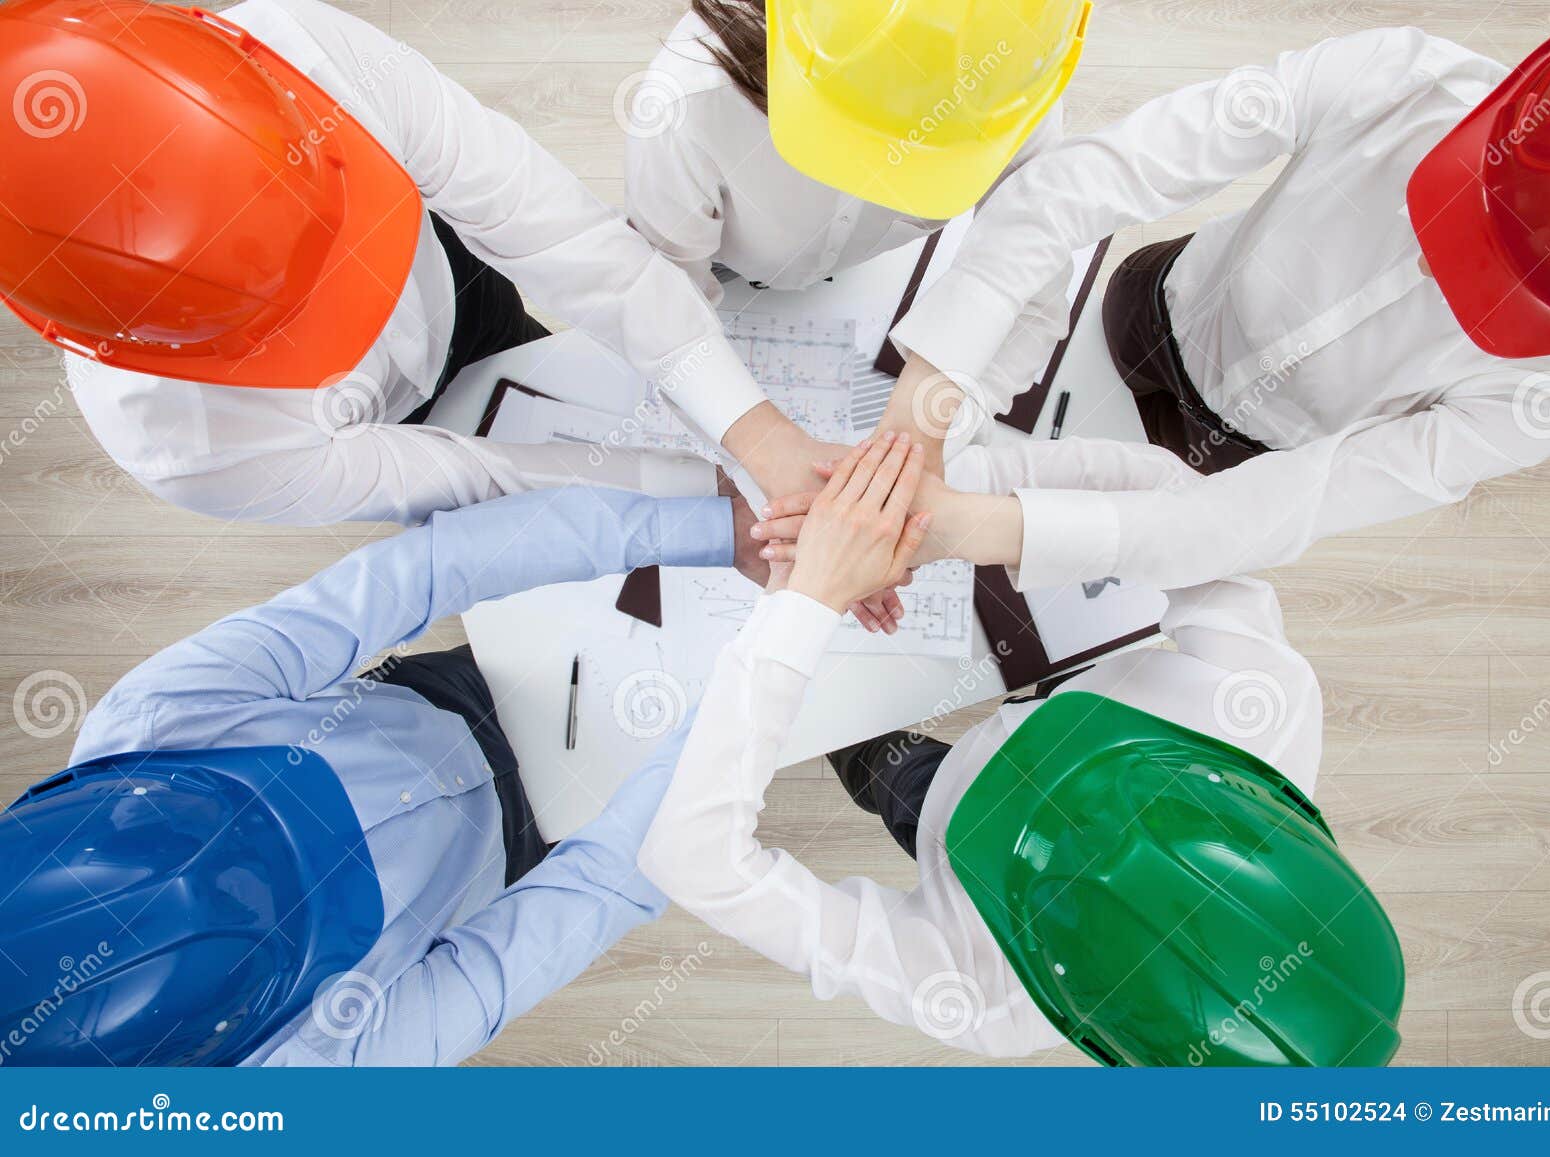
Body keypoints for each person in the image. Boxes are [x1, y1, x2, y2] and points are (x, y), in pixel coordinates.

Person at [641, 432, 1405, 1064]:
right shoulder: (1261, 705)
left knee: (885, 768)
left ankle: (874, 760)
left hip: (940, 805)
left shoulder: (981, 996)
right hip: (1056, 699)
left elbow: (691, 858)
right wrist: (956, 507)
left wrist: (804, 595)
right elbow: (1175, 502)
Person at [0, 478, 768, 1066]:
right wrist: (762, 675)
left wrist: (716, 529)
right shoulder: (314, 1066)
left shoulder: (151, 719)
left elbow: (430, 568)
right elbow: (591, 892)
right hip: (533, 841)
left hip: (450, 693)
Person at [0, 0, 831, 528]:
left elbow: (566, 243)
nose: (353, 308)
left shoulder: (311, 58)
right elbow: (469, 478)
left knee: (522, 350)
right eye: (285, 318)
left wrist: (752, 433)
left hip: (454, 275)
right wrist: (701, 498)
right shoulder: (190, 444)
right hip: (389, 432)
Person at [877, 18, 1550, 591]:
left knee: (1128, 549)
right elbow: (1078, 184)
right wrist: (923, 419)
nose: (1450, 268)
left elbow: (1279, 510)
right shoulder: (1406, 79)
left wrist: (976, 527)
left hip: (1250, 458)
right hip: (1161, 309)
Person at [626, 0, 1093, 457]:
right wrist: (757, 447)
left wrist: (937, 438)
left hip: (864, 286)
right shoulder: (686, 98)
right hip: (716, 262)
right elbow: (662, 300)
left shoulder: (1008, 86)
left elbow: (1034, 294)